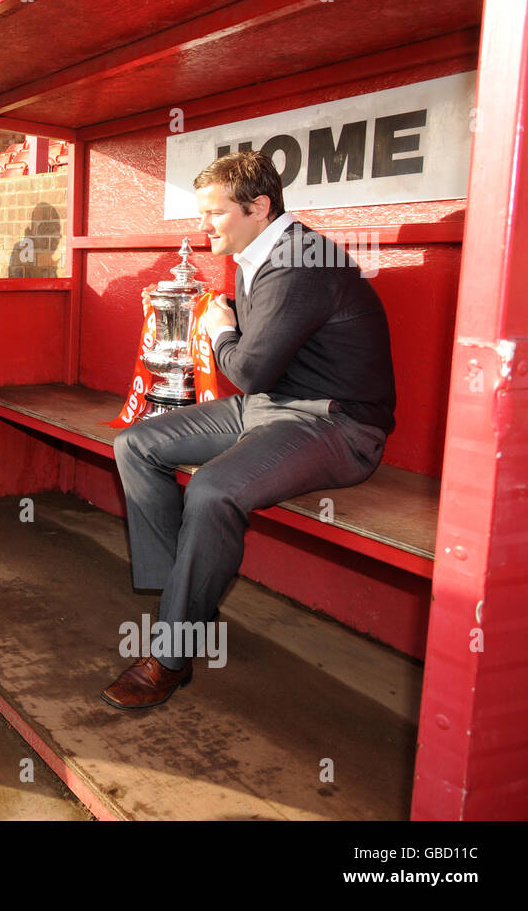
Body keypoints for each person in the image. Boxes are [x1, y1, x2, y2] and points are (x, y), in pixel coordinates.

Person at [104, 150, 396, 710]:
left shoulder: (299, 260)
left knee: (214, 489)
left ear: (258, 207)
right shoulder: (266, 252)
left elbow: (248, 368)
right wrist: (226, 312)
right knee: (137, 442)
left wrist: (218, 329)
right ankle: (187, 603)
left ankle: (171, 652)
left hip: (336, 425)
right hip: (271, 407)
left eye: (215, 213)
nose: (204, 224)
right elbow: (271, 350)